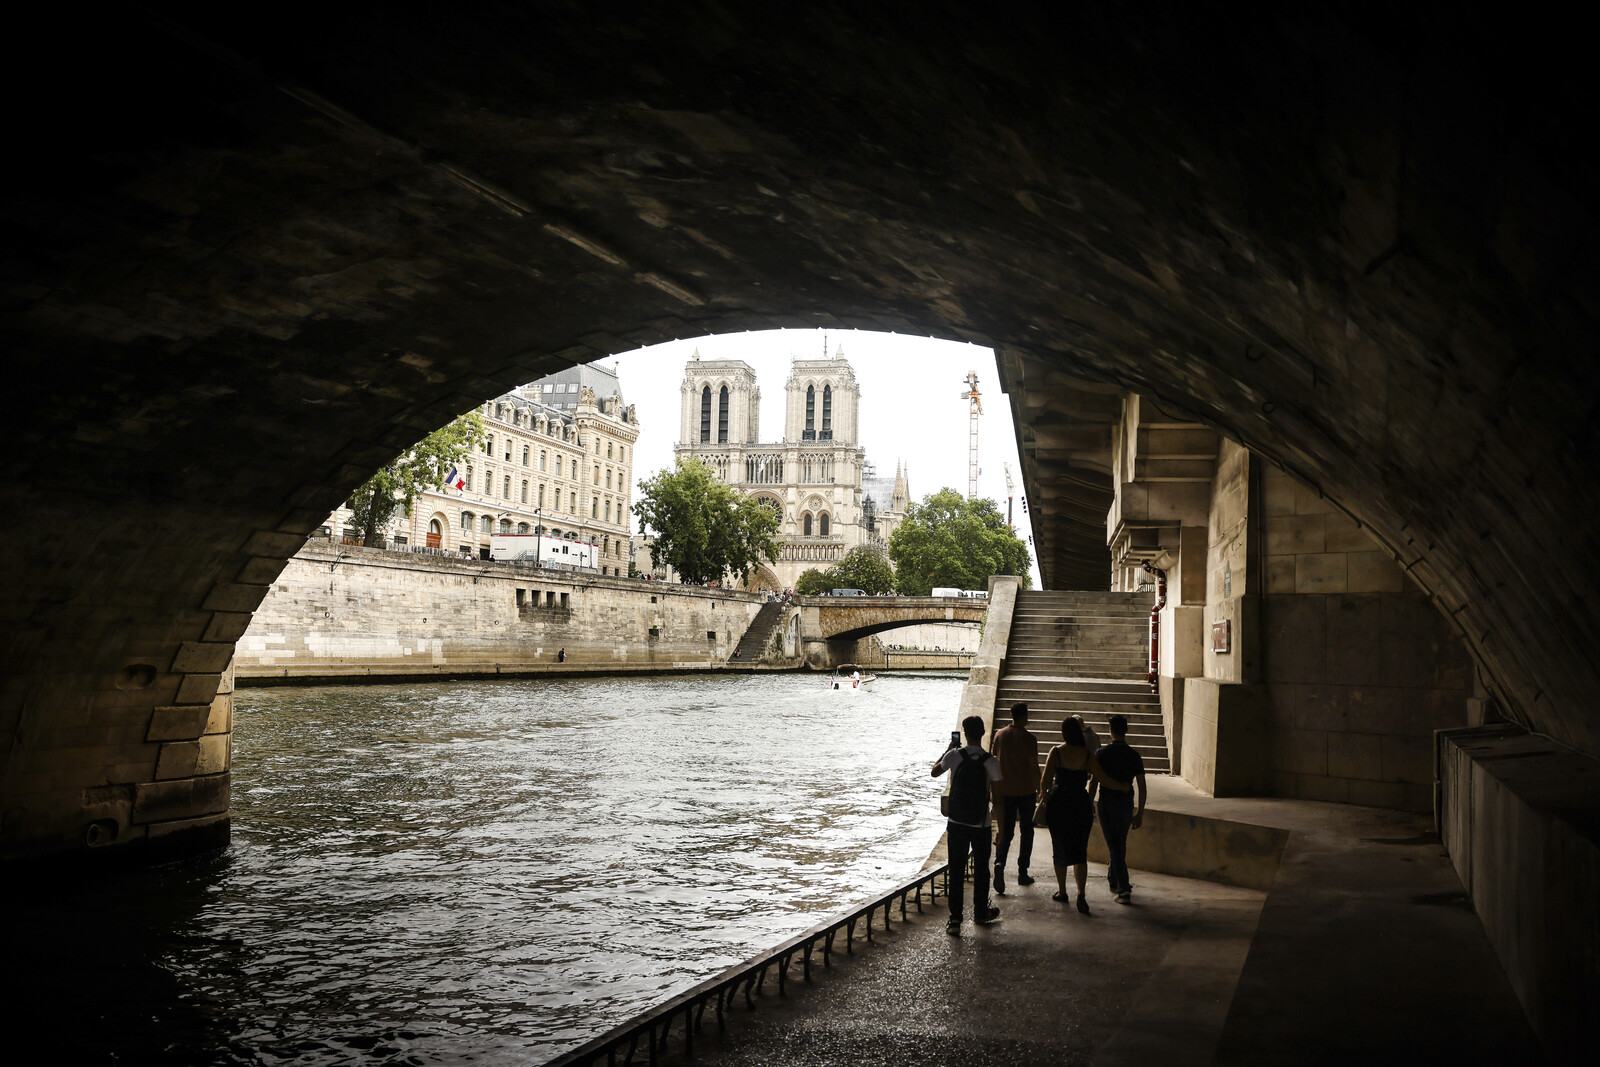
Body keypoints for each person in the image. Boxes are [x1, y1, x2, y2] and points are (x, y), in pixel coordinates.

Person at [932, 715, 1002, 935]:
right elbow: (998, 799)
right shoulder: (991, 761)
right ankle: (981, 912)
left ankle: (955, 920)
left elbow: (934, 771)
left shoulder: (954, 756)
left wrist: (949, 748)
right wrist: (1000, 828)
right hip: (981, 824)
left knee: (956, 869)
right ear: (982, 734)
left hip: (956, 822)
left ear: (964, 733)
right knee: (981, 869)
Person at [1038, 717, 1097, 913]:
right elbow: (1097, 777)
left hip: (1059, 804)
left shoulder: (1056, 752)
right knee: (1080, 850)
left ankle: (1062, 891)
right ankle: (1081, 894)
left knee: (1060, 846)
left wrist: (1044, 796)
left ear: (1064, 733)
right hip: (1080, 803)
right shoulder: (1088, 755)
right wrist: (1090, 796)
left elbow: (1045, 781)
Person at [1093, 714, 1147, 904]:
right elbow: (1142, 785)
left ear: (1110, 730)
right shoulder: (1134, 755)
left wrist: (1090, 802)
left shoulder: (1101, 754)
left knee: (1114, 845)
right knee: (1118, 844)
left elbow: (1094, 781)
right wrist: (1139, 812)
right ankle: (1113, 879)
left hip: (1107, 803)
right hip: (1125, 803)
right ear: (1127, 730)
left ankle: (1124, 888)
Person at [989, 702, 1040, 894]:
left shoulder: (1000, 735)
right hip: (1026, 791)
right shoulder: (1030, 739)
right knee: (1027, 832)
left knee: (1005, 830)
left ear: (1011, 714)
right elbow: (1033, 767)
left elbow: (993, 761)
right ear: (1026, 716)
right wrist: (1041, 788)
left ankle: (1000, 862)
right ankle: (1022, 872)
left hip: (1004, 790)